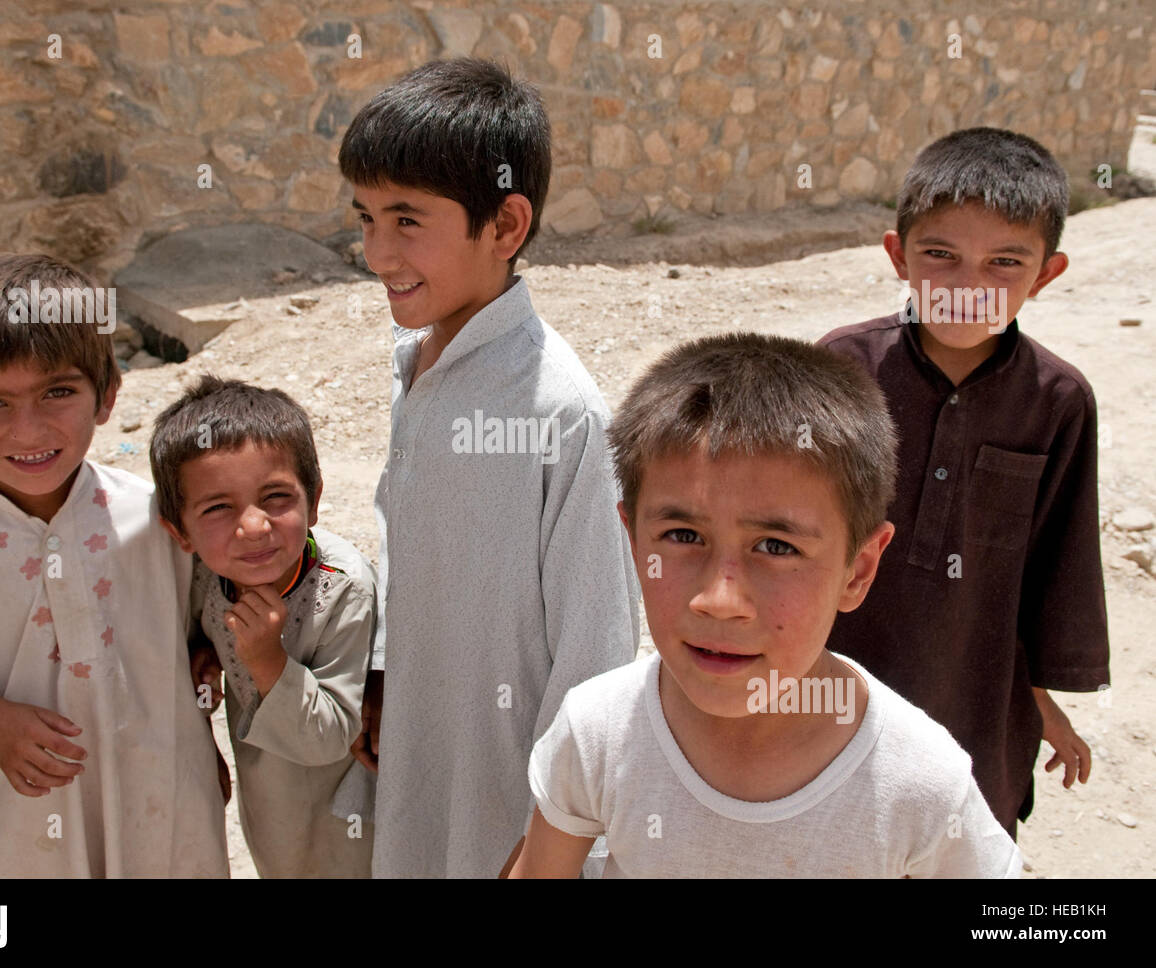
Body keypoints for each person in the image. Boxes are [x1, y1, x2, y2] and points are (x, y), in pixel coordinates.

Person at [512, 332, 1020, 877]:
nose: (719, 600)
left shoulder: (919, 781)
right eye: (682, 536)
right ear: (633, 543)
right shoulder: (598, 731)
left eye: (777, 547)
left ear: (859, 569)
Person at [337, 57, 641, 876]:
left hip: (520, 807)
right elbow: (406, 543)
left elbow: (599, 649)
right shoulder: (415, 366)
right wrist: (382, 673)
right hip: (420, 754)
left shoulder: (562, 413)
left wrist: (556, 830)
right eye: (365, 218)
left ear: (505, 226)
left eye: (407, 221)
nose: (376, 252)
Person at [818, 127, 1110, 836]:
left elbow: (1056, 566)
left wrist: (1040, 700)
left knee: (960, 839)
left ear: (1047, 274)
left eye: (1004, 263)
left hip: (977, 700)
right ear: (897, 255)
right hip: (837, 683)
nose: (966, 289)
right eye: (940, 255)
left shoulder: (1058, 401)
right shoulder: (842, 370)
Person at [0, 254, 227, 877]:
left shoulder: (156, 521)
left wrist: (204, 708)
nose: (29, 428)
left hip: (162, 798)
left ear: (106, 396)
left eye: (57, 392)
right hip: (24, 823)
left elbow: (201, 635)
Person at [152, 375, 376, 877]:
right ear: (179, 532)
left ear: (313, 500)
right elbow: (193, 656)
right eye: (217, 507)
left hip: (347, 805)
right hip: (267, 791)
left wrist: (267, 659)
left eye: (276, 497)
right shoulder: (206, 575)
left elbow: (334, 736)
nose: (254, 526)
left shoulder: (343, 588)